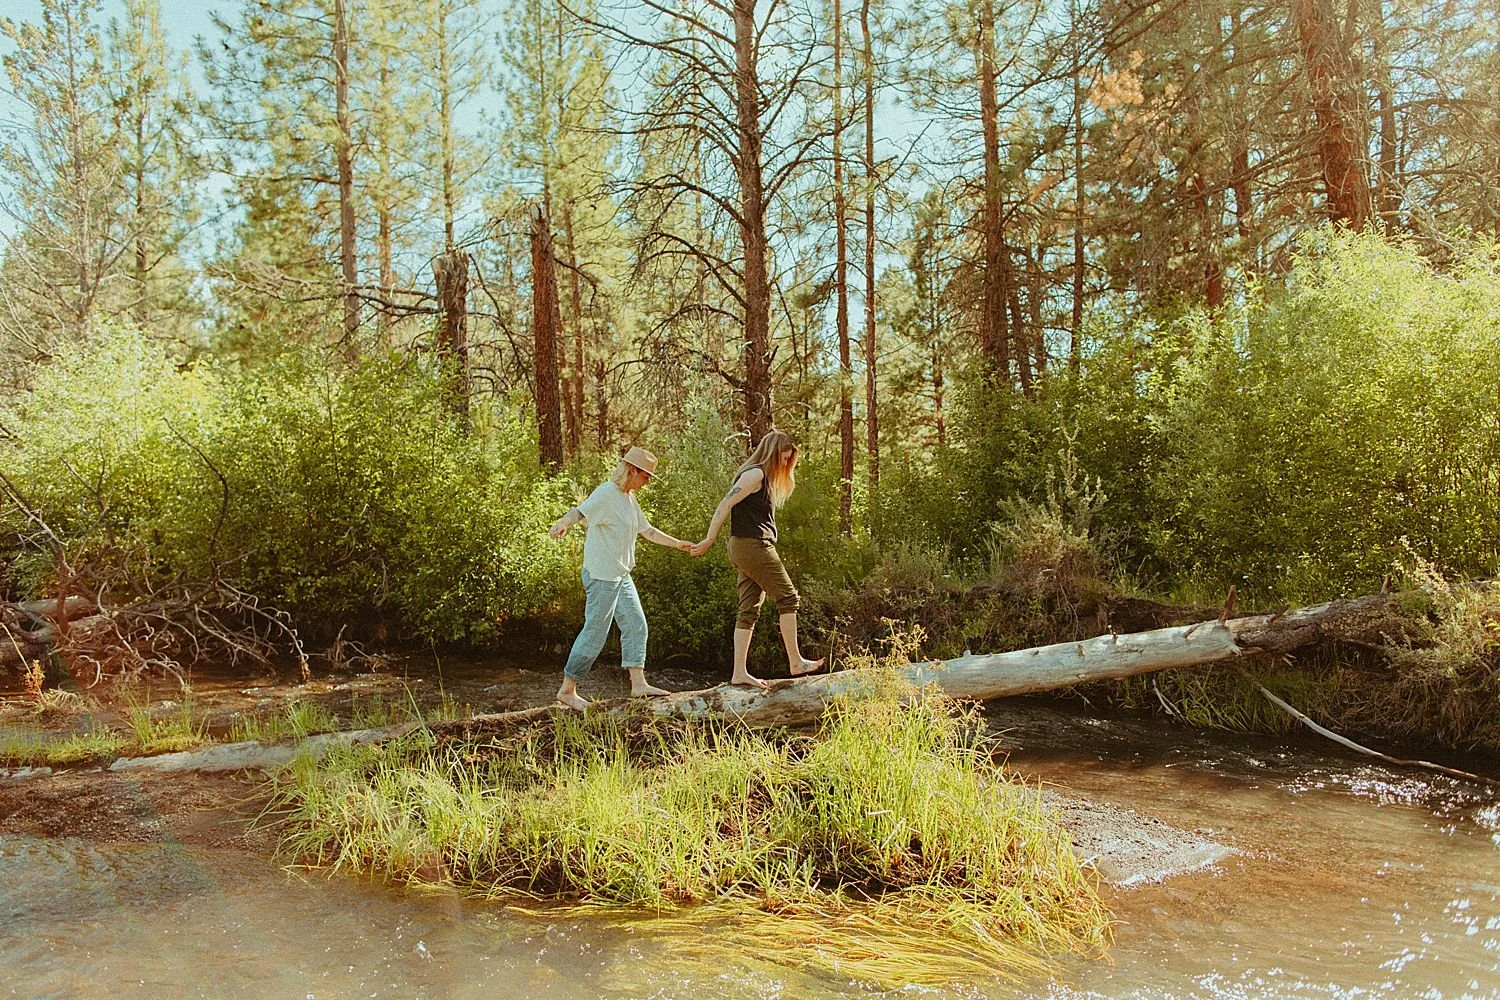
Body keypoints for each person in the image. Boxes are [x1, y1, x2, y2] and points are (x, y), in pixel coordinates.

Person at [548, 446, 694, 711]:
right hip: (602, 576)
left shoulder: (629, 499)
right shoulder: (607, 493)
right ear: (633, 470)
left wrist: (678, 544)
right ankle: (567, 691)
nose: (647, 482)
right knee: (595, 633)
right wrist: (562, 524)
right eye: (646, 476)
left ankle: (638, 685)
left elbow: (648, 531)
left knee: (637, 625)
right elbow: (579, 512)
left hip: (621, 575)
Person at [691, 430, 824, 689]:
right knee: (788, 598)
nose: (785, 464)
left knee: (748, 609)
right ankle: (796, 662)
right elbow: (724, 504)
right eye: (784, 458)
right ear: (772, 453)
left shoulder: (760, 476)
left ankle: (739, 673)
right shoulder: (755, 475)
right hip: (753, 545)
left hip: (746, 546)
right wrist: (709, 539)